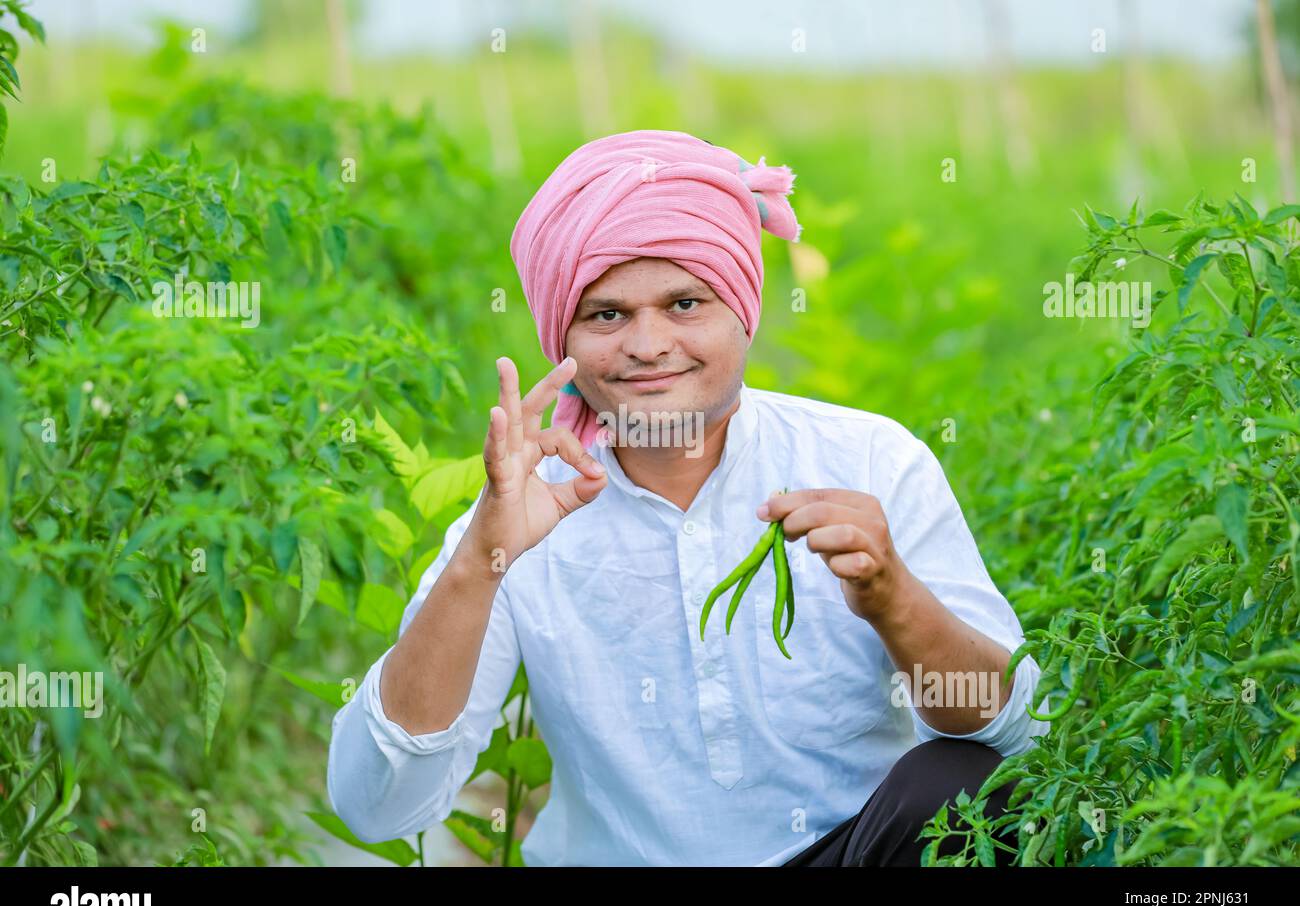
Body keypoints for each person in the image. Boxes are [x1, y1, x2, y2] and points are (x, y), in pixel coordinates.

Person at [327, 130, 1048, 866]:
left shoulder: (868, 461)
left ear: (742, 311)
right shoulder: (520, 515)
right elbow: (375, 806)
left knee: (963, 783)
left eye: (683, 303)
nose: (647, 344)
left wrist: (895, 600)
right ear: (562, 339)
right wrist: (479, 565)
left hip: (846, 854)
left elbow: (1021, 734)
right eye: (607, 314)